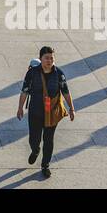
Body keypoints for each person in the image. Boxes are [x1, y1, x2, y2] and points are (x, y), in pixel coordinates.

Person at [17, 47, 74, 179]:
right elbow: (24, 91)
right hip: (35, 112)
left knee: (48, 140)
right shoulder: (32, 73)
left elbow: (65, 91)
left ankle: (45, 165)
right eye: (46, 58)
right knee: (34, 139)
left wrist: (71, 108)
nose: (49, 61)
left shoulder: (59, 74)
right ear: (41, 58)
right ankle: (35, 150)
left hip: (52, 113)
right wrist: (20, 108)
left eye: (52, 58)